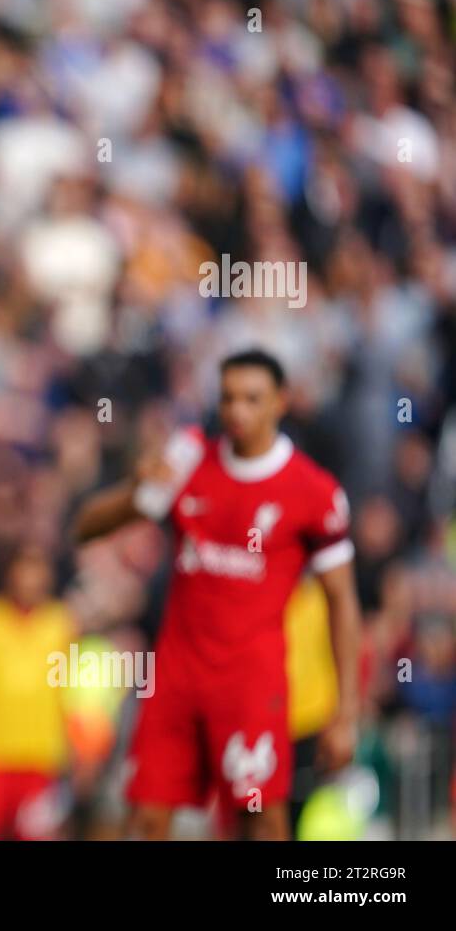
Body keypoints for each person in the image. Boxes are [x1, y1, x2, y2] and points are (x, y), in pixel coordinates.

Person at [72, 349, 362, 840]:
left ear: (280, 402)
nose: (238, 412)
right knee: (145, 818)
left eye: (252, 399)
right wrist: (135, 488)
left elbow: (343, 601)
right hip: (176, 679)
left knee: (261, 819)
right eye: (228, 399)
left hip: (250, 683)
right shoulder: (187, 460)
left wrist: (346, 713)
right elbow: (87, 527)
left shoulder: (313, 492)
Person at [0, 545, 75, 840]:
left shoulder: (61, 623)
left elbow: (70, 689)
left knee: (36, 832)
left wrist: (74, 742)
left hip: (41, 752)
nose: (30, 581)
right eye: (24, 571)